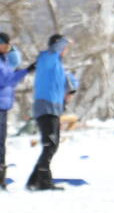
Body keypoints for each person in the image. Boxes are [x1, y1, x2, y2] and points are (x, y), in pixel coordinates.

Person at [25, 34, 77, 191]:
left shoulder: (58, 67)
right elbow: (55, 48)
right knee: (50, 145)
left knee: (52, 146)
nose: (65, 50)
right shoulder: (47, 58)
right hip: (45, 107)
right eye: (64, 47)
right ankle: (43, 182)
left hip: (54, 108)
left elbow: (69, 83)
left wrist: (70, 91)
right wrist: (66, 39)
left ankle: (34, 180)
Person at [0, 33, 34, 190]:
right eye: (6, 44)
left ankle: (1, 179)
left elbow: (11, 77)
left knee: (2, 144)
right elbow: (7, 80)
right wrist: (26, 71)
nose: (8, 47)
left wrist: (22, 72)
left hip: (4, 106)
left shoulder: (4, 60)